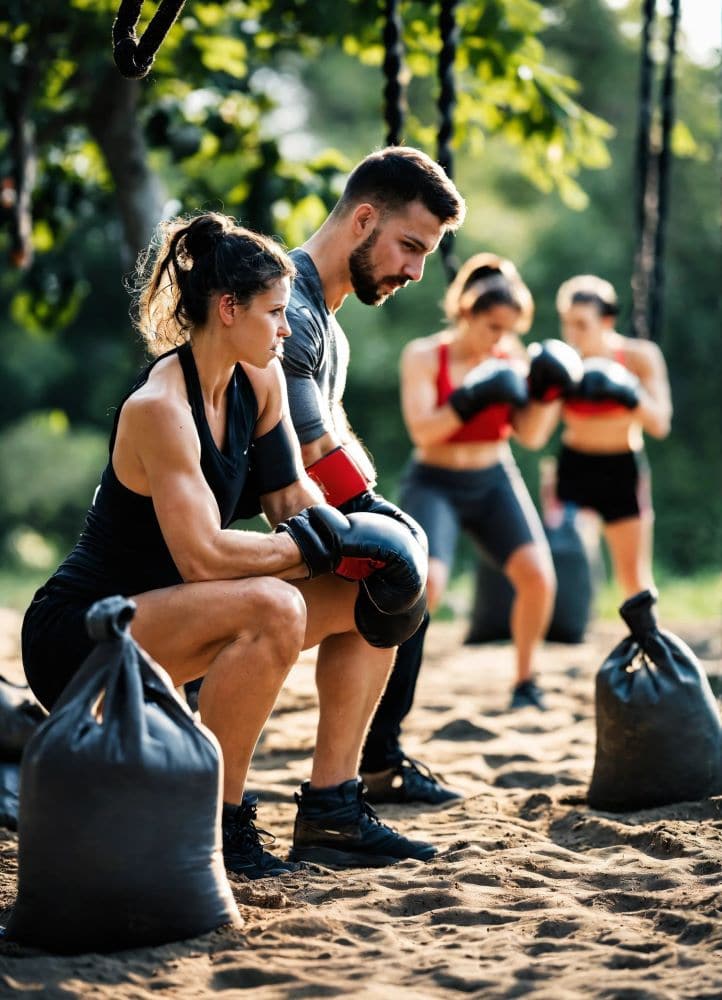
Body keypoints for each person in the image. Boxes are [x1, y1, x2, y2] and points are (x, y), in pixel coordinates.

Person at [20, 212, 435, 879]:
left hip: (182, 613)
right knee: (275, 606)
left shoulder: (259, 380)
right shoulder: (159, 408)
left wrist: (362, 536)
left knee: (373, 591)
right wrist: (316, 547)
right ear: (228, 308)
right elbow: (204, 558)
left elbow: (291, 501)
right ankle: (218, 825)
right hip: (88, 633)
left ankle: (332, 810)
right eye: (275, 312)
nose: (287, 327)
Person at [281, 146, 467, 807]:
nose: (416, 272)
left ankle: (365, 773)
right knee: (395, 568)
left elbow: (335, 445)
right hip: (183, 564)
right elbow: (311, 455)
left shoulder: (329, 328)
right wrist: (377, 513)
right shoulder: (284, 310)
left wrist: (376, 510)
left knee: (398, 572)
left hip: (254, 542)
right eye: (410, 247)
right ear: (363, 219)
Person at [385, 253, 578, 790]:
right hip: (435, 480)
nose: (500, 338)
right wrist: (472, 396)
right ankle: (389, 699)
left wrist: (547, 395)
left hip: (494, 477)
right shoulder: (424, 355)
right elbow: (423, 431)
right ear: (466, 313)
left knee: (539, 578)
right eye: (492, 326)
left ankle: (525, 681)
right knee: (427, 586)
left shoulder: (511, 357)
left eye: (508, 330)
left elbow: (531, 437)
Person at [549, 274, 672, 595]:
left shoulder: (638, 356)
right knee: (566, 569)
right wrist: (548, 386)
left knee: (633, 578)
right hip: (574, 469)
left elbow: (660, 424)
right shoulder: (563, 363)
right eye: (567, 323)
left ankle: (645, 629)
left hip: (622, 470)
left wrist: (628, 390)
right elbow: (537, 434)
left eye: (581, 324)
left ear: (606, 321)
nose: (572, 334)